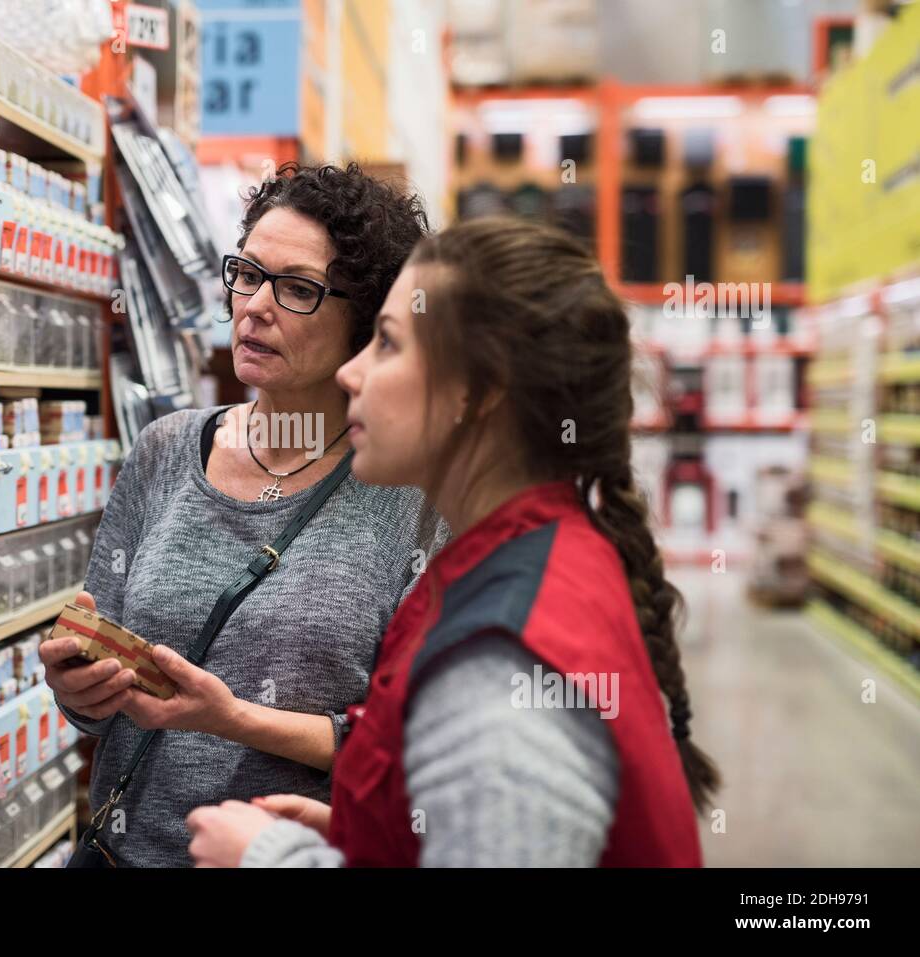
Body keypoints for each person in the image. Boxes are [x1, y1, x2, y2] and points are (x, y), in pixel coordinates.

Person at [185, 216, 720, 867]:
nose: (352, 374)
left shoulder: (503, 657)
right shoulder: (515, 562)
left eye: (387, 343)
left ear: (478, 391)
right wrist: (363, 832)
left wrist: (270, 857)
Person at [39, 163, 446, 867]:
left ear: (366, 320)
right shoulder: (165, 449)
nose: (255, 305)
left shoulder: (408, 496)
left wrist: (234, 719)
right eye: (247, 273)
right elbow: (94, 692)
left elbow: (410, 741)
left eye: (296, 289)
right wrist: (79, 686)